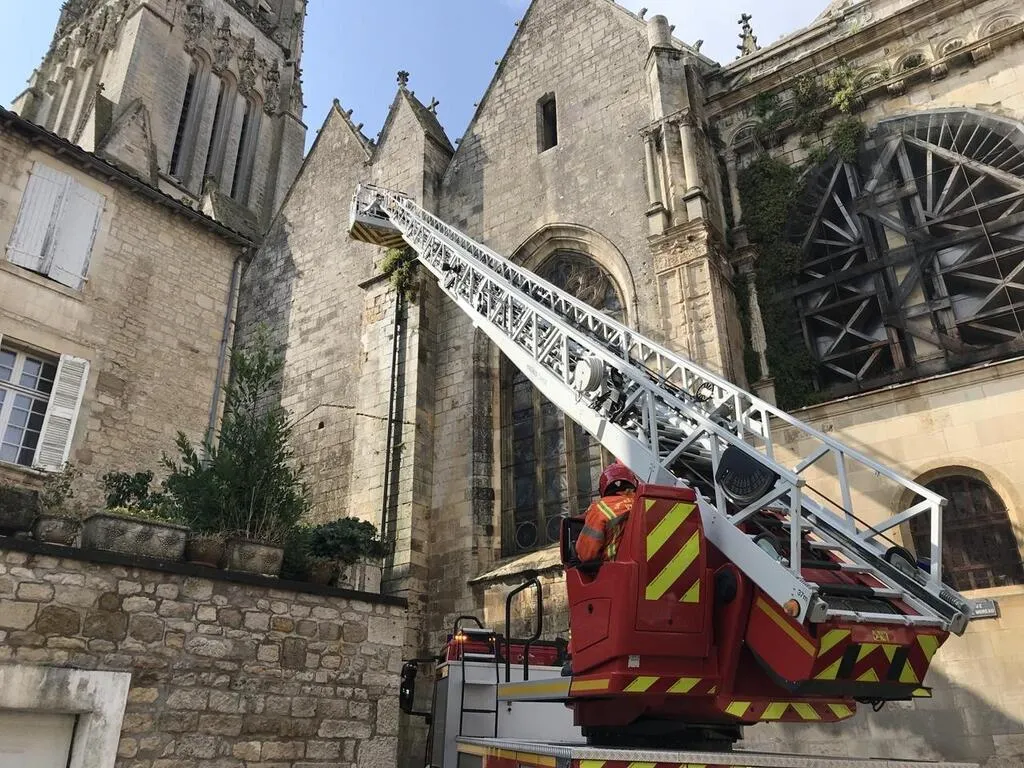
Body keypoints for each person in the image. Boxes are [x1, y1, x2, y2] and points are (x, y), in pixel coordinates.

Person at [574, 462, 639, 563]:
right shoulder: (644, 502)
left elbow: (586, 554)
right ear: (633, 483)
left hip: (615, 571)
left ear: (603, 488)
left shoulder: (600, 508)